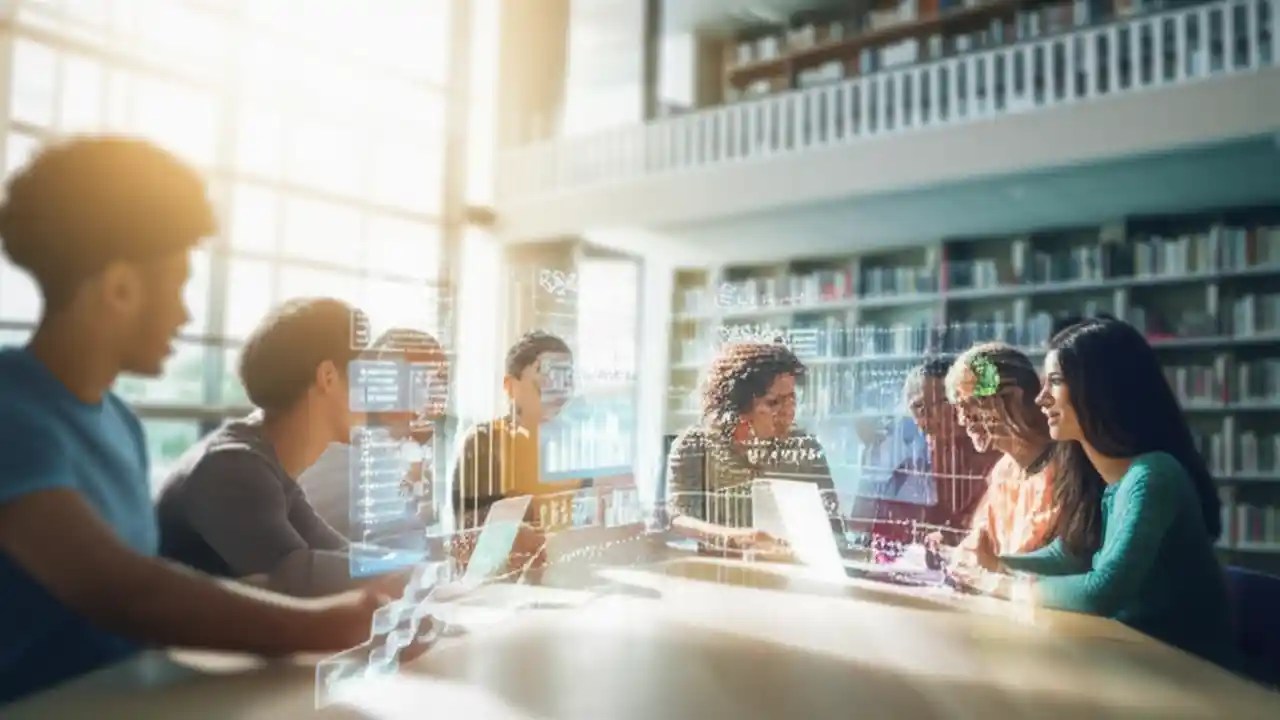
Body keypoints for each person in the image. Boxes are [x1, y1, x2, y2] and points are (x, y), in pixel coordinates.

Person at [0, 138, 393, 704]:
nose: (186, 312)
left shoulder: (120, 425)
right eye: (180, 282)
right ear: (120, 288)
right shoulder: (12, 415)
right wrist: (325, 624)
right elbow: (124, 592)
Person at [998, 318, 1238, 669]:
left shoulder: (1154, 475)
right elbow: (1071, 554)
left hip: (1191, 676)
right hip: (1135, 659)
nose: (1041, 398)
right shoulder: (1103, 477)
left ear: (1100, 390)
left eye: (1056, 381)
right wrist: (997, 563)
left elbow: (1102, 592)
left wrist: (1009, 588)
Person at [157, 297, 402, 597]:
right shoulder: (232, 467)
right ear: (328, 377)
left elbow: (339, 553)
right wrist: (410, 571)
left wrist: (411, 565)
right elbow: (296, 576)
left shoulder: (265, 465)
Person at [665, 342, 838, 551]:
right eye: (774, 402)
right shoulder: (695, 446)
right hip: (718, 574)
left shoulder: (805, 449)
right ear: (740, 406)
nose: (788, 411)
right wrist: (737, 538)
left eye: (792, 398)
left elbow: (833, 524)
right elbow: (678, 518)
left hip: (791, 573)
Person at [299, 328, 455, 540]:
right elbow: (398, 545)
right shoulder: (343, 455)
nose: (431, 399)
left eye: (439, 383)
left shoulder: (406, 454)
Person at [943, 343, 1068, 571]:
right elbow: (976, 549)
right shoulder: (1004, 472)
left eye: (972, 404)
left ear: (1014, 398)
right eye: (960, 408)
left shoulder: (1068, 469)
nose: (963, 420)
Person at [851, 356, 1000, 547]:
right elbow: (861, 527)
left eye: (943, 402)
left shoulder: (995, 461)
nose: (928, 415)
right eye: (919, 408)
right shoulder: (908, 469)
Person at [451, 330, 582, 531]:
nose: (561, 388)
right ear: (511, 385)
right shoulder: (485, 441)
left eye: (567, 377)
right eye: (548, 375)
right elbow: (469, 531)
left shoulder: (574, 443)